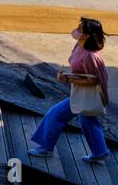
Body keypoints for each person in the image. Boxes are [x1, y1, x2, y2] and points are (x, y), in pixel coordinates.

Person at [28, 18, 111, 165]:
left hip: (86, 96)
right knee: (88, 123)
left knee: (56, 115)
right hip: (81, 94)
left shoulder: (90, 56)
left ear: (86, 35)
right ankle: (99, 153)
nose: (76, 30)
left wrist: (67, 80)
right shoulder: (80, 45)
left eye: (80, 28)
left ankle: (46, 149)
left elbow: (94, 81)